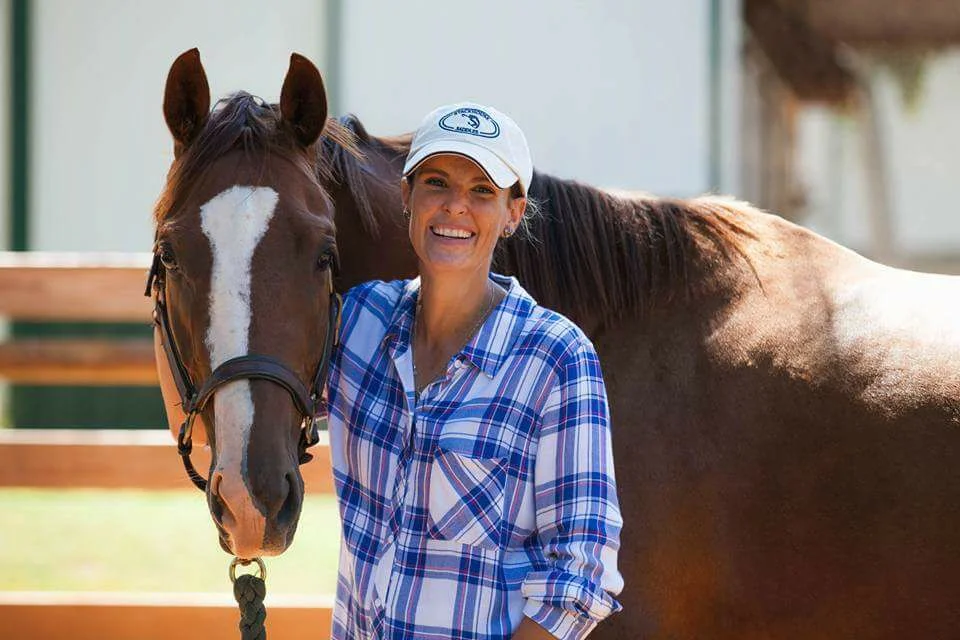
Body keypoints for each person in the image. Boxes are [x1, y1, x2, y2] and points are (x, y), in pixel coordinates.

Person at [327, 102, 623, 639]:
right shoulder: (357, 324)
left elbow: (579, 578)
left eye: (483, 190)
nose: (455, 206)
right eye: (436, 182)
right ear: (406, 198)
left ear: (513, 213)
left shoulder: (556, 359)